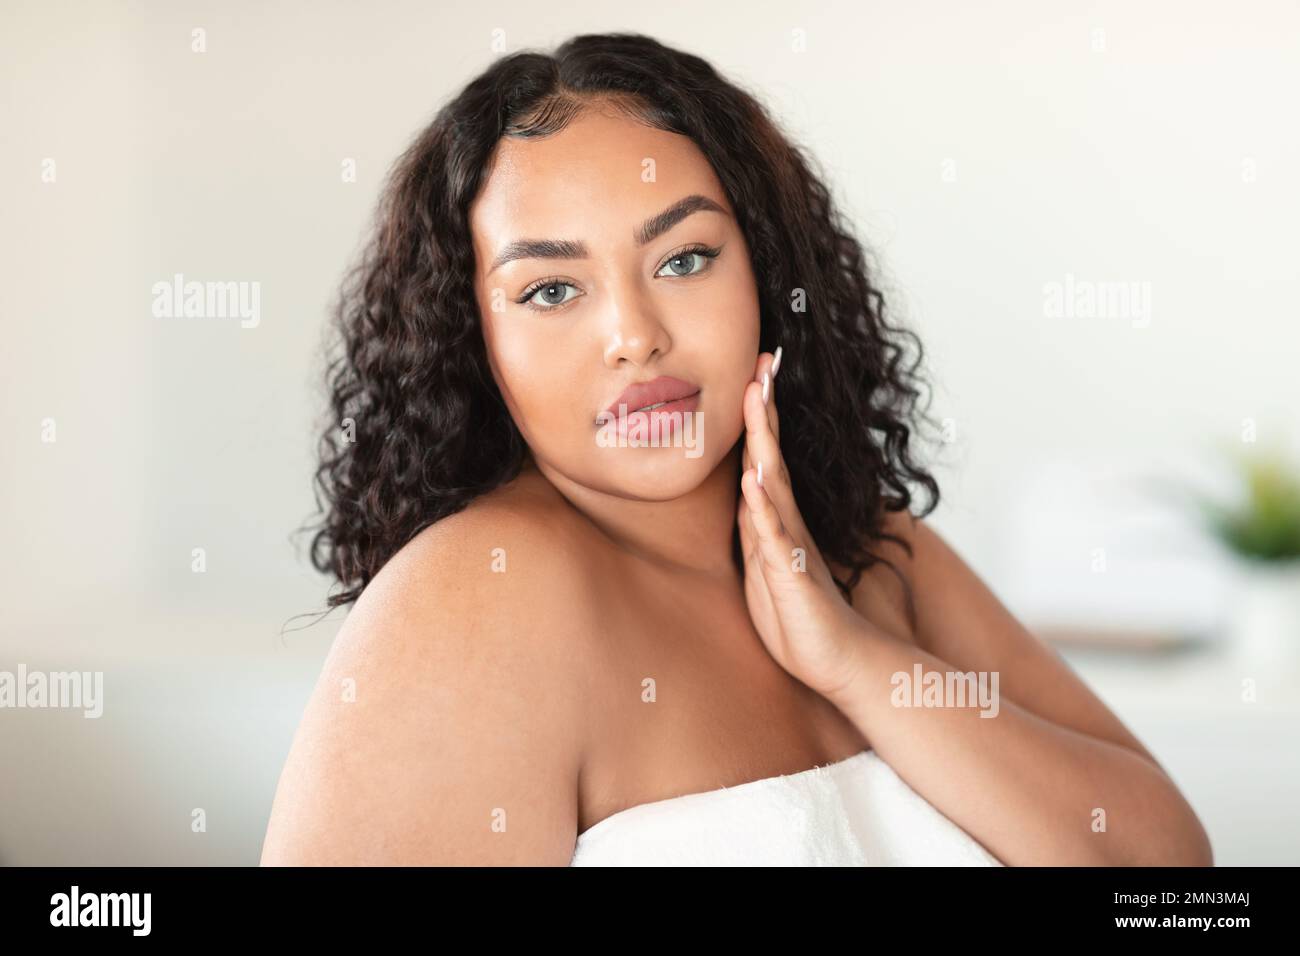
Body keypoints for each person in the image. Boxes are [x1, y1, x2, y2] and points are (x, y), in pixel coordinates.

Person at [260, 32, 1212, 866]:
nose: (634, 334)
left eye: (684, 259)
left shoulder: (871, 554)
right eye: (551, 290)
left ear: (767, 272)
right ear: (474, 337)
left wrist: (851, 660)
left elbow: (1168, 876)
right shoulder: (476, 598)